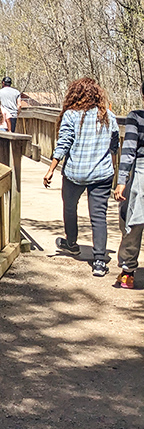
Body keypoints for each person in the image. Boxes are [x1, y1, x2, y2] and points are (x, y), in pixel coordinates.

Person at [43, 77, 120, 277]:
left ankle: (71, 243)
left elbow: (64, 143)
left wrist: (51, 168)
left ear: (75, 94)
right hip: (102, 174)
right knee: (98, 216)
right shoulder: (109, 116)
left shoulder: (71, 115)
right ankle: (100, 260)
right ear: (97, 94)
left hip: (75, 173)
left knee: (70, 207)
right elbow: (114, 145)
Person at [113, 83, 144, 288]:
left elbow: (129, 150)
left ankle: (128, 270)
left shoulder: (136, 117)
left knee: (133, 220)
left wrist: (121, 181)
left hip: (141, 172)